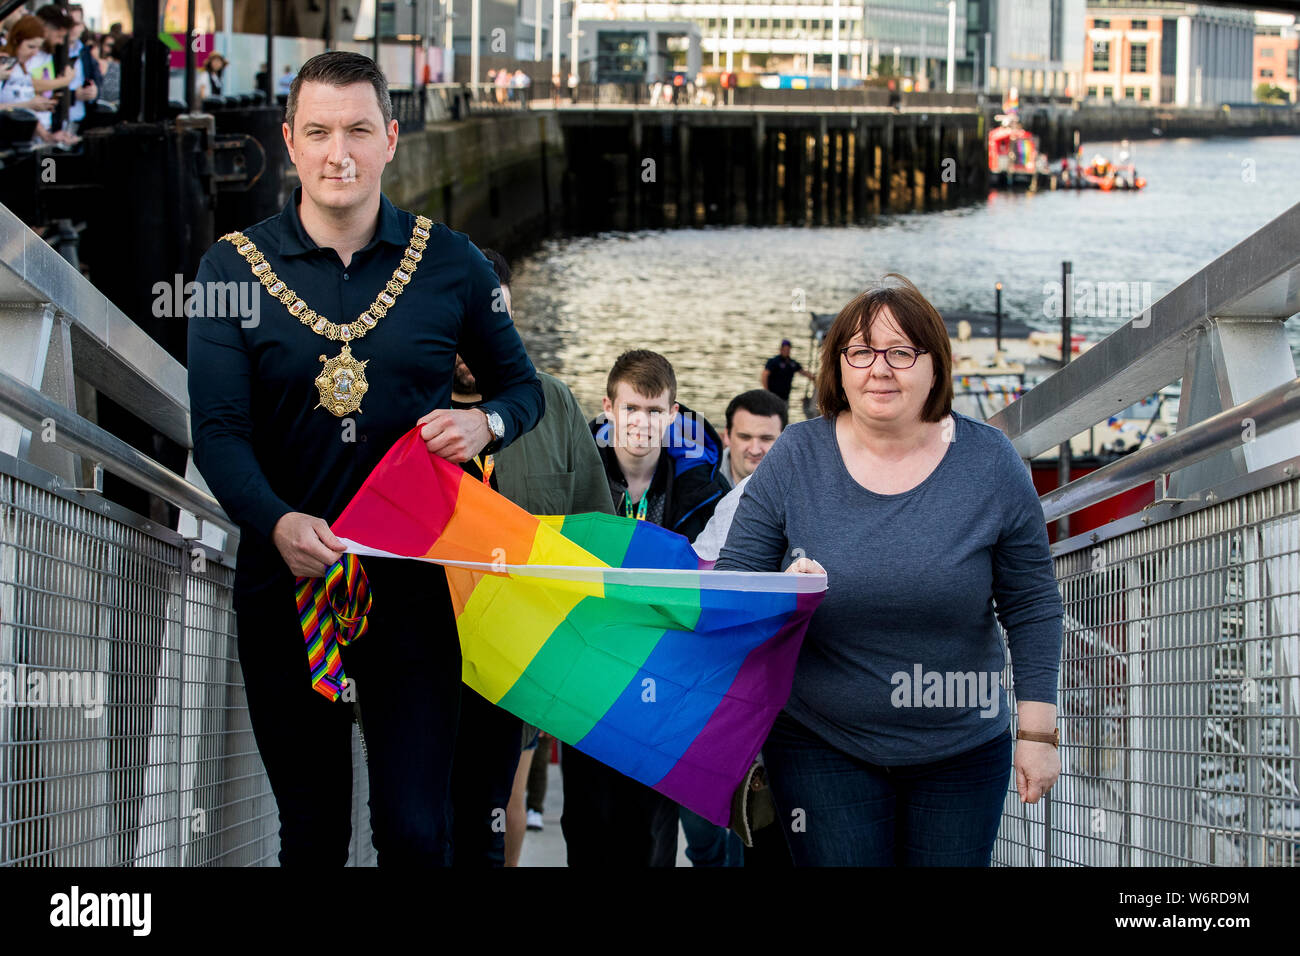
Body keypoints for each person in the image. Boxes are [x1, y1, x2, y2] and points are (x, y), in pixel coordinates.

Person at [186, 51, 544, 867]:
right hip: (288, 585)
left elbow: (523, 390)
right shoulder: (229, 269)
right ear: (289, 142)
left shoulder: (449, 261)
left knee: (416, 832)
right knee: (313, 833)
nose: (336, 152)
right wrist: (276, 523)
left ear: (390, 139)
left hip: (416, 587)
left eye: (356, 130)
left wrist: (486, 423)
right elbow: (218, 434)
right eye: (317, 131)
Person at [715, 274, 1064, 867]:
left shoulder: (990, 462)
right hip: (821, 741)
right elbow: (732, 589)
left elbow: (1031, 601)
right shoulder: (796, 457)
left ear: (935, 366)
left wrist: (1037, 734)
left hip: (961, 744)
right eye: (861, 352)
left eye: (901, 352)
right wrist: (782, 589)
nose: (880, 368)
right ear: (839, 367)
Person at [447, 247, 613, 868]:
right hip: (421, 663)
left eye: (498, 320)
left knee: (490, 824)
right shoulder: (399, 405)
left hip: (519, 665)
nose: (482, 339)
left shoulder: (554, 404)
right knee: (415, 827)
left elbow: (595, 535)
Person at [559, 349, 731, 866]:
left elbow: (726, 577)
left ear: (672, 416)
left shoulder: (703, 491)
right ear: (608, 408)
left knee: (650, 825)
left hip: (662, 681)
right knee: (586, 819)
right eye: (631, 408)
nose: (641, 422)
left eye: (655, 411)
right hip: (586, 676)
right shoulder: (575, 482)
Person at [0, 14, 75, 143]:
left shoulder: (23, 69)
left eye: (38, 48)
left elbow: (27, 112)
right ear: (16, 40)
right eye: (30, 46)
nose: (34, 53)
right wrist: (27, 105)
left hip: (22, 141)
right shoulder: (4, 64)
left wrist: (48, 136)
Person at [719, 388, 786, 490]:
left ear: (784, 440)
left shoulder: (802, 484)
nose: (755, 451)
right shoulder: (696, 481)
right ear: (727, 436)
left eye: (766, 438)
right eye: (744, 437)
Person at [761, 338, 815, 404]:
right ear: (781, 349)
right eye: (785, 349)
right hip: (773, 396)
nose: (786, 351)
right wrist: (767, 391)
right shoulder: (774, 361)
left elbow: (803, 372)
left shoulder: (792, 363)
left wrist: (814, 378)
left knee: (784, 412)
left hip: (785, 398)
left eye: (788, 350)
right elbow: (764, 375)